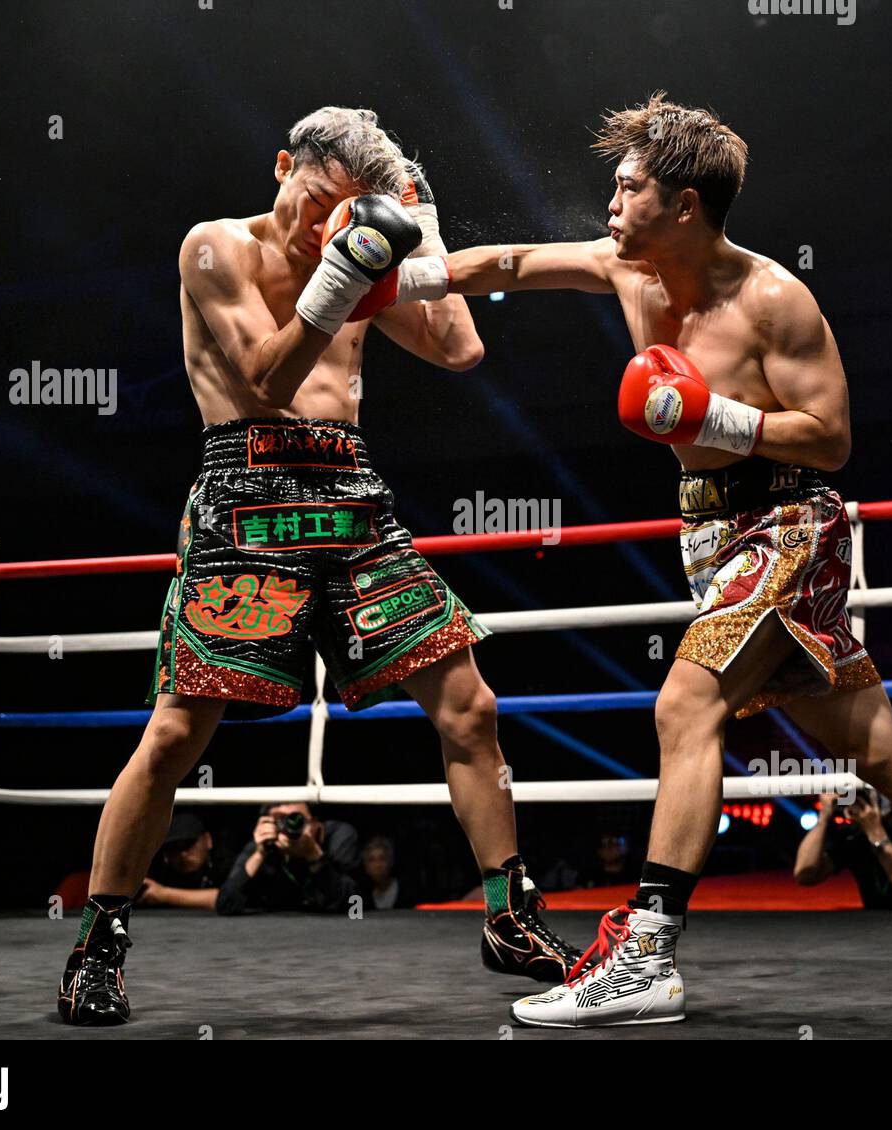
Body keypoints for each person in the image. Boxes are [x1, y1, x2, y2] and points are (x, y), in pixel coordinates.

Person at [390, 92, 892, 1026]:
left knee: (686, 703)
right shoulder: (625, 269)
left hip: (790, 524)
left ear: (683, 204)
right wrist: (400, 280)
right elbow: (509, 261)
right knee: (868, 745)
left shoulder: (773, 299)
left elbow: (832, 439)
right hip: (710, 535)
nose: (609, 206)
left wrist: (715, 417)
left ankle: (647, 954)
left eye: (630, 189)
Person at [57, 106, 579, 1026]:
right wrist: (348, 269)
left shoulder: (365, 256)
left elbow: (461, 347)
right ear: (281, 166)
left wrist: (417, 219)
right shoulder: (214, 248)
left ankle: (508, 915)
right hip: (245, 493)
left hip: (354, 497)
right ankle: (99, 945)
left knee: (472, 705)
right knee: (179, 732)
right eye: (316, 199)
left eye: (348, 212)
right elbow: (265, 376)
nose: (323, 224)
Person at [216, 803, 360, 914]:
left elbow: (352, 905)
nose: (289, 827)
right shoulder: (265, 844)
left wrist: (313, 855)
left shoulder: (339, 836)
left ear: (316, 823)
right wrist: (259, 855)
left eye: (297, 820)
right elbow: (225, 904)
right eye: (280, 822)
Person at [136, 812, 231, 910]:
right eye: (174, 847)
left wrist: (162, 894)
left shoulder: (227, 867)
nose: (183, 854)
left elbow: (229, 898)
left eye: (189, 845)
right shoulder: (156, 871)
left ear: (208, 840)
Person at [360, 835, 405, 910]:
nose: (377, 865)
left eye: (382, 859)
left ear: (390, 862)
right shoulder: (362, 895)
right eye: (371, 860)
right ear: (366, 866)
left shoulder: (406, 890)